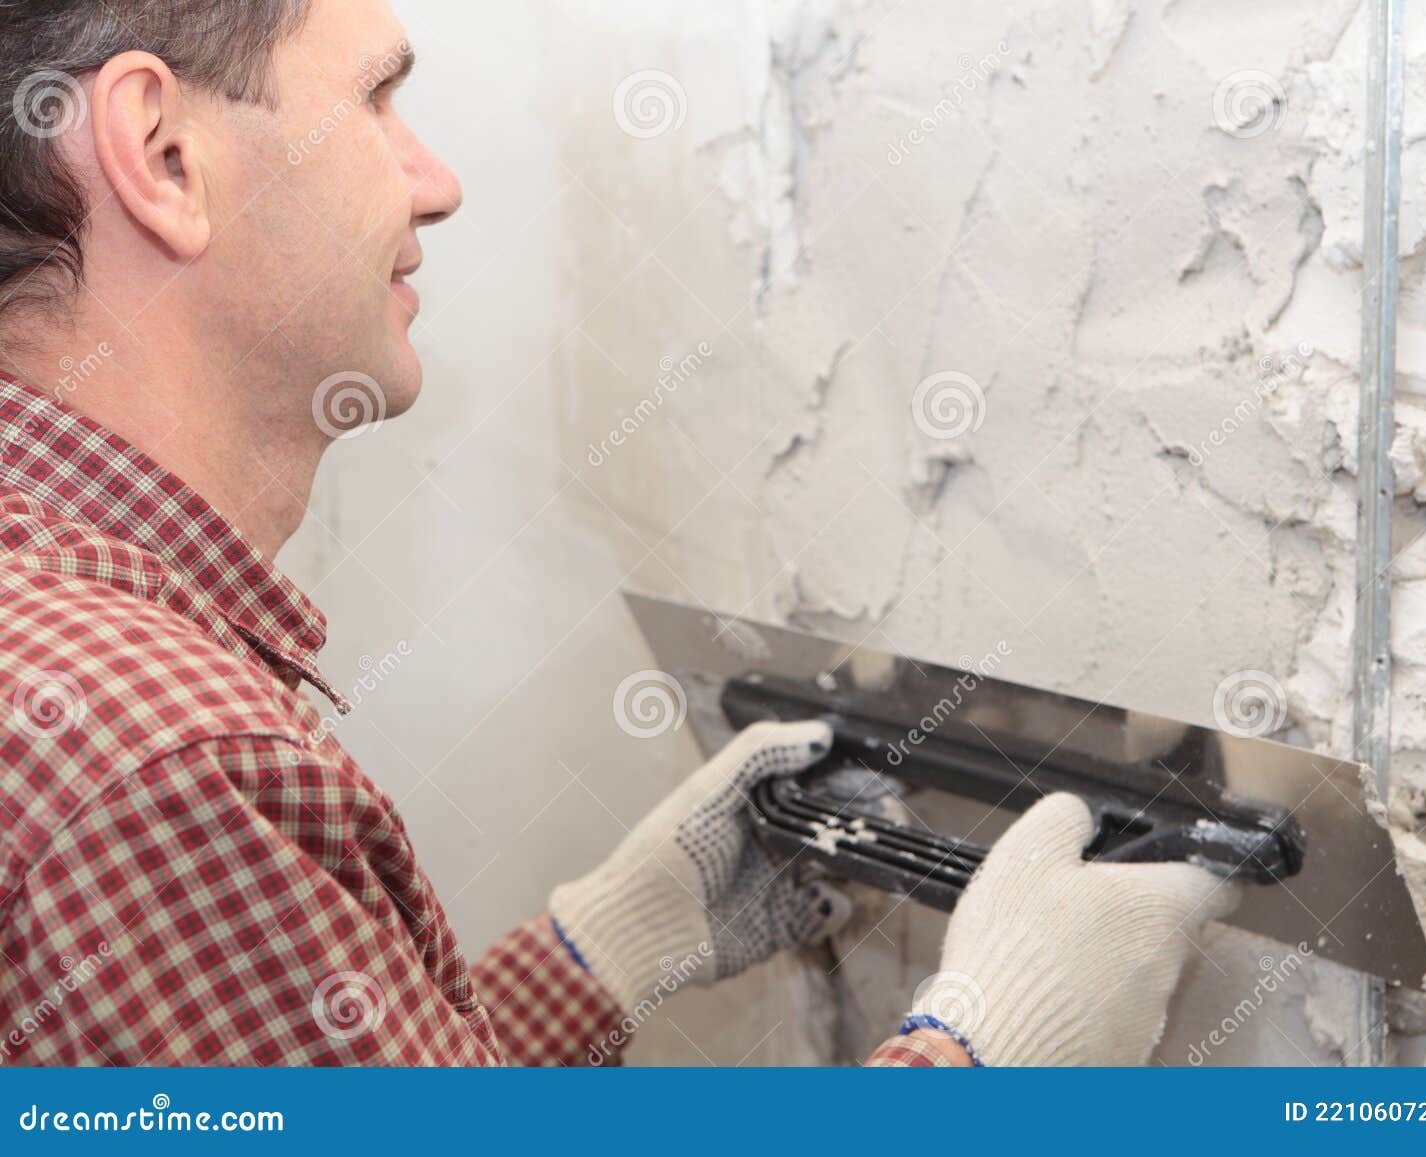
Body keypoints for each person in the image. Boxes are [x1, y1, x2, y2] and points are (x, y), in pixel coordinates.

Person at [0, 0, 1234, 1068]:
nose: (436, 179)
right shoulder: (151, 757)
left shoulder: (71, 649)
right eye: (375, 99)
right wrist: (985, 1058)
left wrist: (616, 936)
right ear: (161, 156)